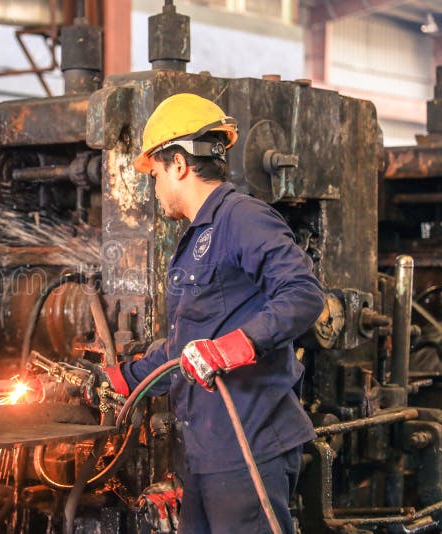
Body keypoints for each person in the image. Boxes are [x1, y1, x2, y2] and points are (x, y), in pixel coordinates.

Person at [90, 93, 325, 533]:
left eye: (156, 173)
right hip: (207, 452)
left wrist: (236, 347)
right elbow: (188, 344)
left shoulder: (242, 218)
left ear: (178, 164)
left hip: (248, 446)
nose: (155, 187)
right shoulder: (200, 234)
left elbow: (304, 293)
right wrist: (124, 377)